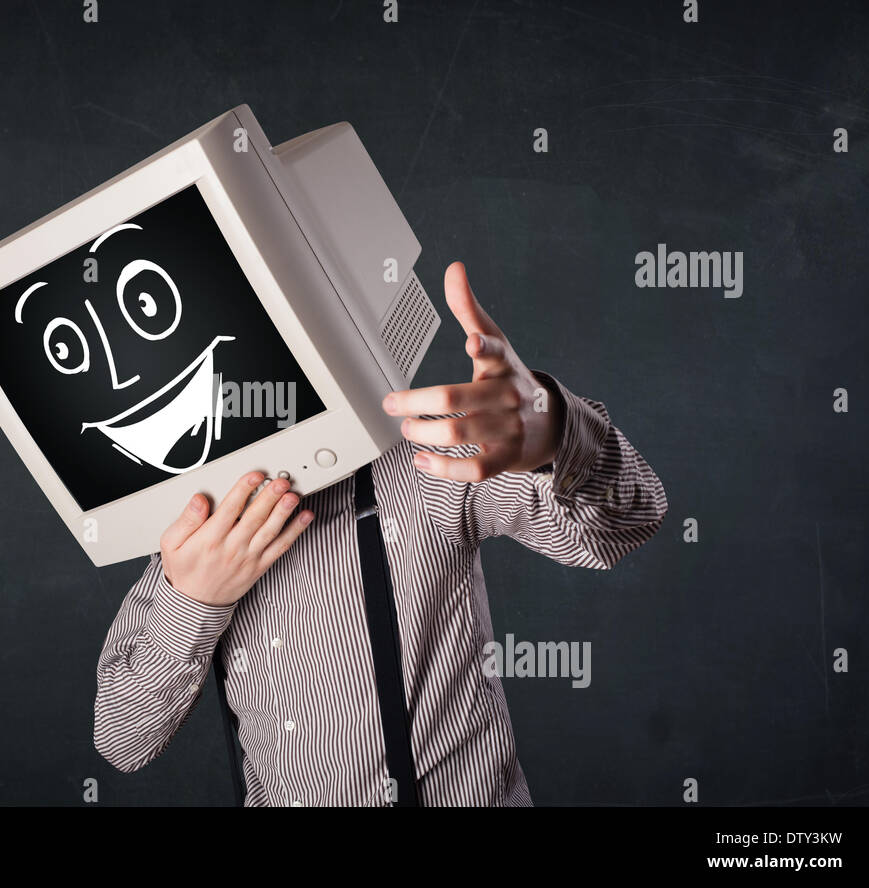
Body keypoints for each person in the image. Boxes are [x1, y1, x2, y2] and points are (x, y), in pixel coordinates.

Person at [93, 262, 668, 806]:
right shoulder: (194, 534)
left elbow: (626, 523)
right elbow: (124, 741)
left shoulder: (419, 465)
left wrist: (553, 431)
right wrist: (194, 600)